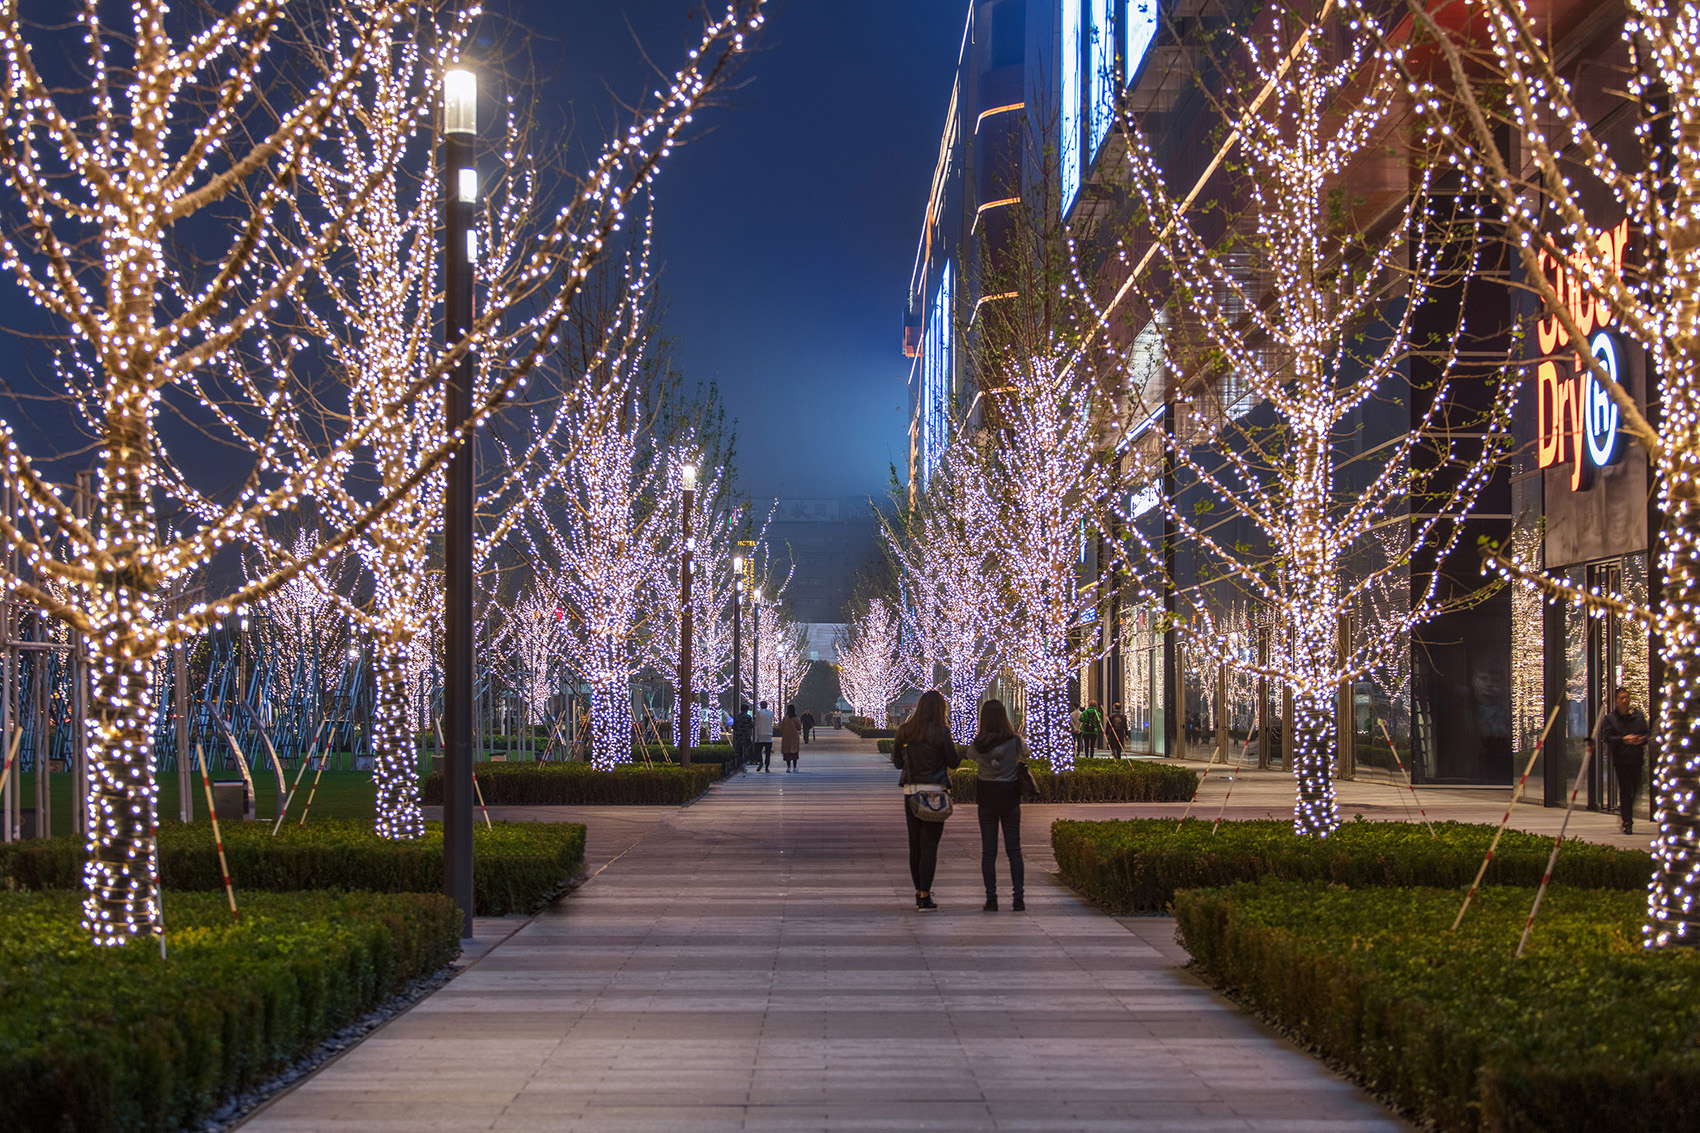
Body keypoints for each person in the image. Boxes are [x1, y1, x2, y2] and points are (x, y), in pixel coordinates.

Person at [891, 688, 961, 910]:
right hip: (935, 792)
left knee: (916, 845)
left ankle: (918, 891)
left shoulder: (905, 731)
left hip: (912, 792)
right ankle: (924, 894)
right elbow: (954, 762)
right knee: (930, 845)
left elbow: (897, 762)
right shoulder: (942, 732)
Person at [971, 698, 1026, 912]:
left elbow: (969, 756)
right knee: (1014, 849)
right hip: (1010, 798)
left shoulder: (978, 744)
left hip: (987, 798)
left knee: (988, 851)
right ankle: (1018, 898)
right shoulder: (1015, 741)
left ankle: (991, 898)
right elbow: (1027, 753)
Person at [1598, 685, 1651, 835]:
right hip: (1621, 759)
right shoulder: (1610, 719)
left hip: (1636, 758)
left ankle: (1626, 813)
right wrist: (1623, 740)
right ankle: (1627, 821)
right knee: (1625, 789)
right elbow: (1607, 737)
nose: (1625, 701)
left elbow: (1647, 734)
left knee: (1636, 789)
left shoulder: (1638, 717)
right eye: (1622, 698)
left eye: (1627, 697)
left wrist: (1641, 739)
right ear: (1616, 700)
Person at [780, 704, 803, 771]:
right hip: (794, 737)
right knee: (794, 752)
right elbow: (799, 727)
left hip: (786, 737)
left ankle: (788, 767)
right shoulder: (795, 718)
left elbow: (781, 727)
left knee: (787, 752)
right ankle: (795, 767)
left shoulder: (785, 718)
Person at [755, 701, 775, 772]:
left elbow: (756, 722)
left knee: (758, 750)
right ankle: (767, 767)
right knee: (768, 752)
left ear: (761, 706)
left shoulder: (759, 713)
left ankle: (760, 761)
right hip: (769, 734)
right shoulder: (771, 713)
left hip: (761, 733)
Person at [733, 703, 754, 768]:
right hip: (746, 736)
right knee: (747, 750)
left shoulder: (737, 717)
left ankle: (739, 764)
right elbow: (751, 726)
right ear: (747, 710)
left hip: (739, 737)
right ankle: (745, 762)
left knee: (739, 751)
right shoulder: (748, 717)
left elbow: (734, 727)